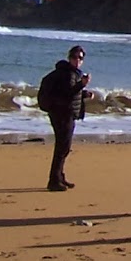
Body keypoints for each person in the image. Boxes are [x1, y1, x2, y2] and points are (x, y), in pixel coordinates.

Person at [39, 45, 92, 192]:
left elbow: (69, 92)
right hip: (62, 114)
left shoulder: (70, 73)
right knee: (62, 148)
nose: (77, 60)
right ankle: (54, 180)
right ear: (69, 58)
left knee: (64, 147)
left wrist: (84, 93)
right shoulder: (68, 74)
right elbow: (67, 93)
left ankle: (59, 177)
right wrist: (82, 85)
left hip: (62, 113)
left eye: (80, 58)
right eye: (74, 57)